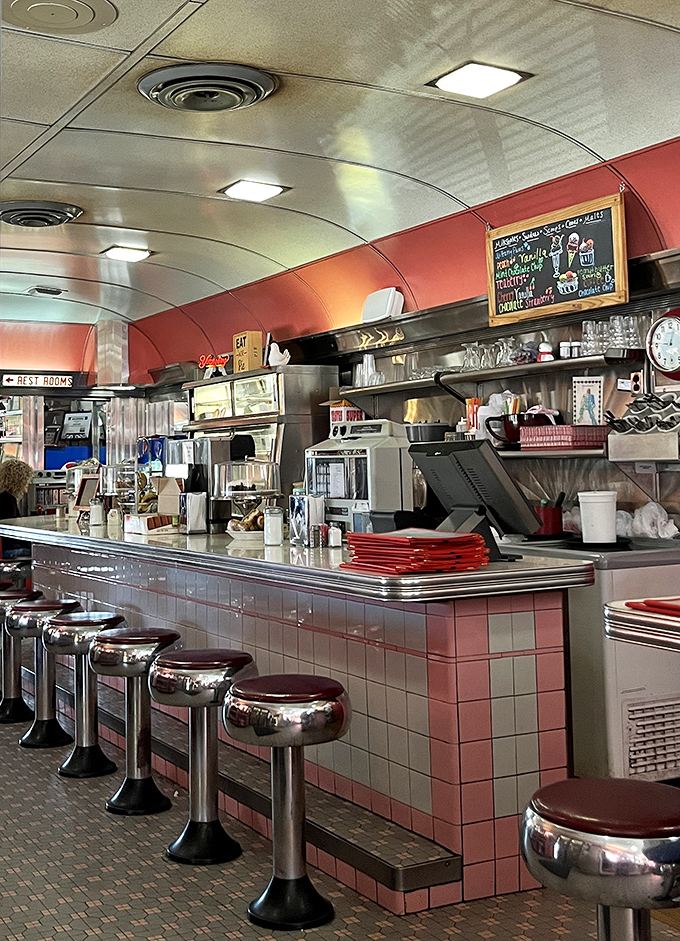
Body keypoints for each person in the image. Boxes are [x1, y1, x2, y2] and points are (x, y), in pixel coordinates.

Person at [0, 459, 33, 558]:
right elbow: (11, 533)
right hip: (7, 550)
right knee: (42, 553)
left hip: (4, 548)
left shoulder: (3, 496)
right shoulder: (8, 500)